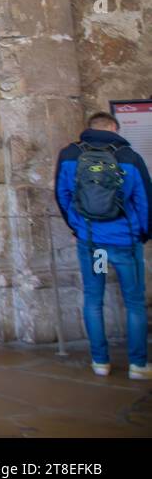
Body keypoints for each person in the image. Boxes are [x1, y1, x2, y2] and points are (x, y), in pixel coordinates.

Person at [54, 112, 149, 380]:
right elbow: (144, 199)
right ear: (114, 127)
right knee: (134, 302)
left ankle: (100, 361)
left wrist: (78, 226)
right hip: (125, 242)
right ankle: (138, 364)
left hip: (93, 243)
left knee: (93, 299)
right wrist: (143, 232)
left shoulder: (70, 155)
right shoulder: (129, 157)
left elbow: (62, 195)